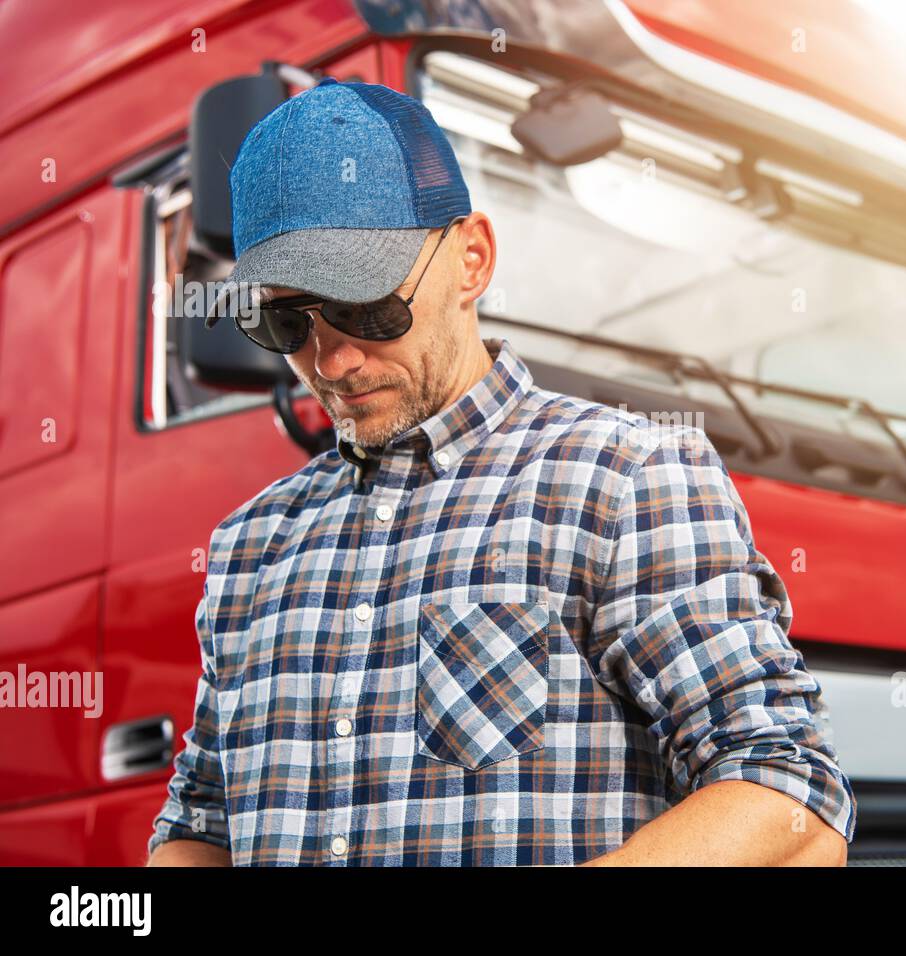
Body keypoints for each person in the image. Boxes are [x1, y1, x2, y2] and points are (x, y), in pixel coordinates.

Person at [147, 78, 855, 866]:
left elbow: (787, 790)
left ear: (472, 260)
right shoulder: (248, 548)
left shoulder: (622, 478)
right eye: (286, 321)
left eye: (369, 307)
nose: (334, 360)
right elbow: (201, 826)